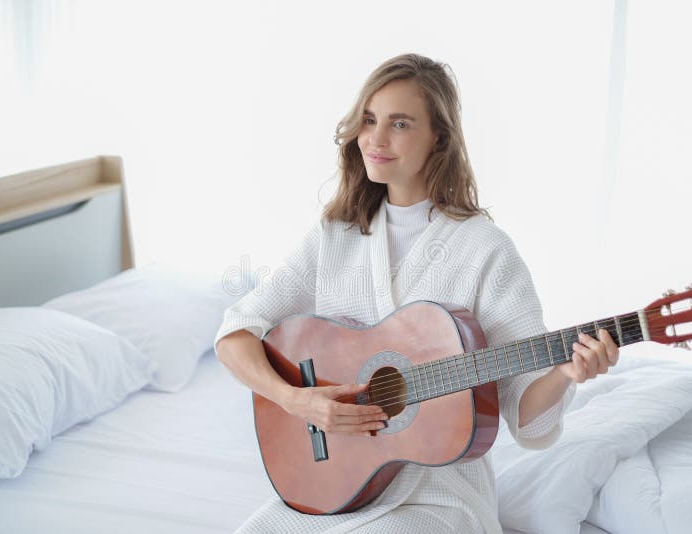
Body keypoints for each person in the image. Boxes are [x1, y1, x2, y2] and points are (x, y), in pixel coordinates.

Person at [215, 53, 619, 533]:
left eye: (400, 123)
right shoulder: (334, 235)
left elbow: (526, 420)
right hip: (333, 488)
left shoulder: (485, 249)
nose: (375, 139)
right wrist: (296, 401)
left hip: (440, 496)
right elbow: (235, 334)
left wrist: (566, 374)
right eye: (369, 120)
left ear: (439, 139)